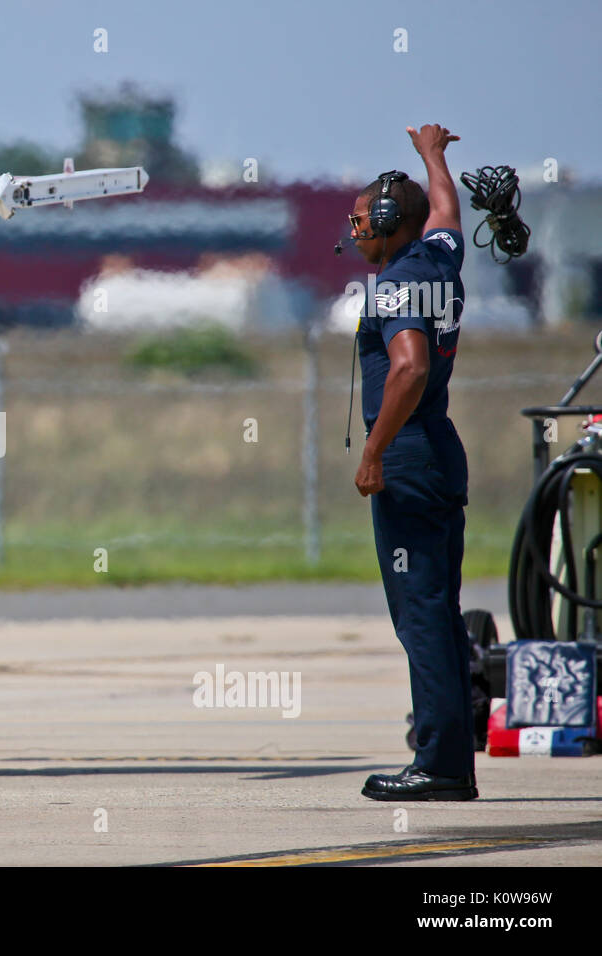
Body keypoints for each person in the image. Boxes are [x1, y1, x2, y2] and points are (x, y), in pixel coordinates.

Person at [349, 124, 476, 800]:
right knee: (440, 609)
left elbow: (409, 367)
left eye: (363, 219)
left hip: (408, 456)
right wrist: (433, 156)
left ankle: (439, 765)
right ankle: (452, 759)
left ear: (393, 222)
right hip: (438, 453)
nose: (355, 230)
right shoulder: (438, 256)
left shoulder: (398, 282)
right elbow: (450, 214)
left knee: (420, 615)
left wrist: (373, 455)